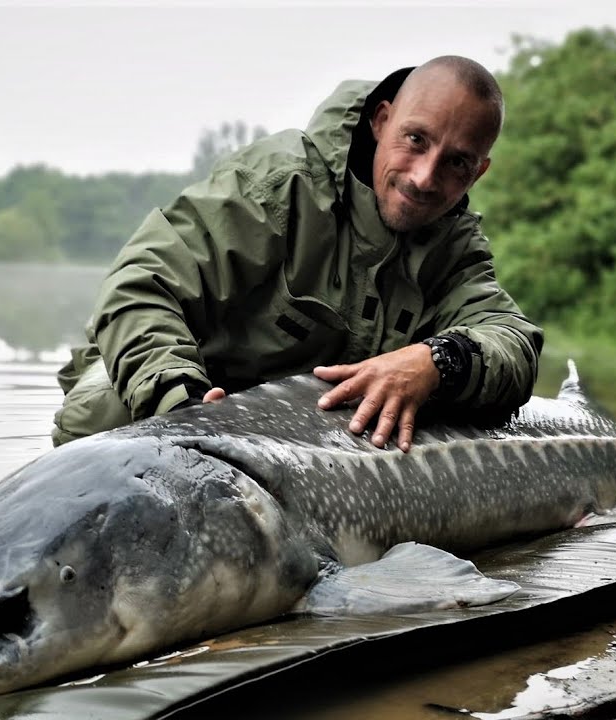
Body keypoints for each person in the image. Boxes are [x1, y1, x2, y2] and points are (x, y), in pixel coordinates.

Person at [52, 55, 543, 453]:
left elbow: (513, 341)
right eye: (416, 140)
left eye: (456, 162)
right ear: (381, 121)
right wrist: (183, 407)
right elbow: (141, 282)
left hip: (306, 441)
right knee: (105, 409)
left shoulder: (455, 248)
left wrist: (438, 360)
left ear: (478, 172)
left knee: (473, 422)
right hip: (193, 397)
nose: (424, 177)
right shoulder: (281, 183)